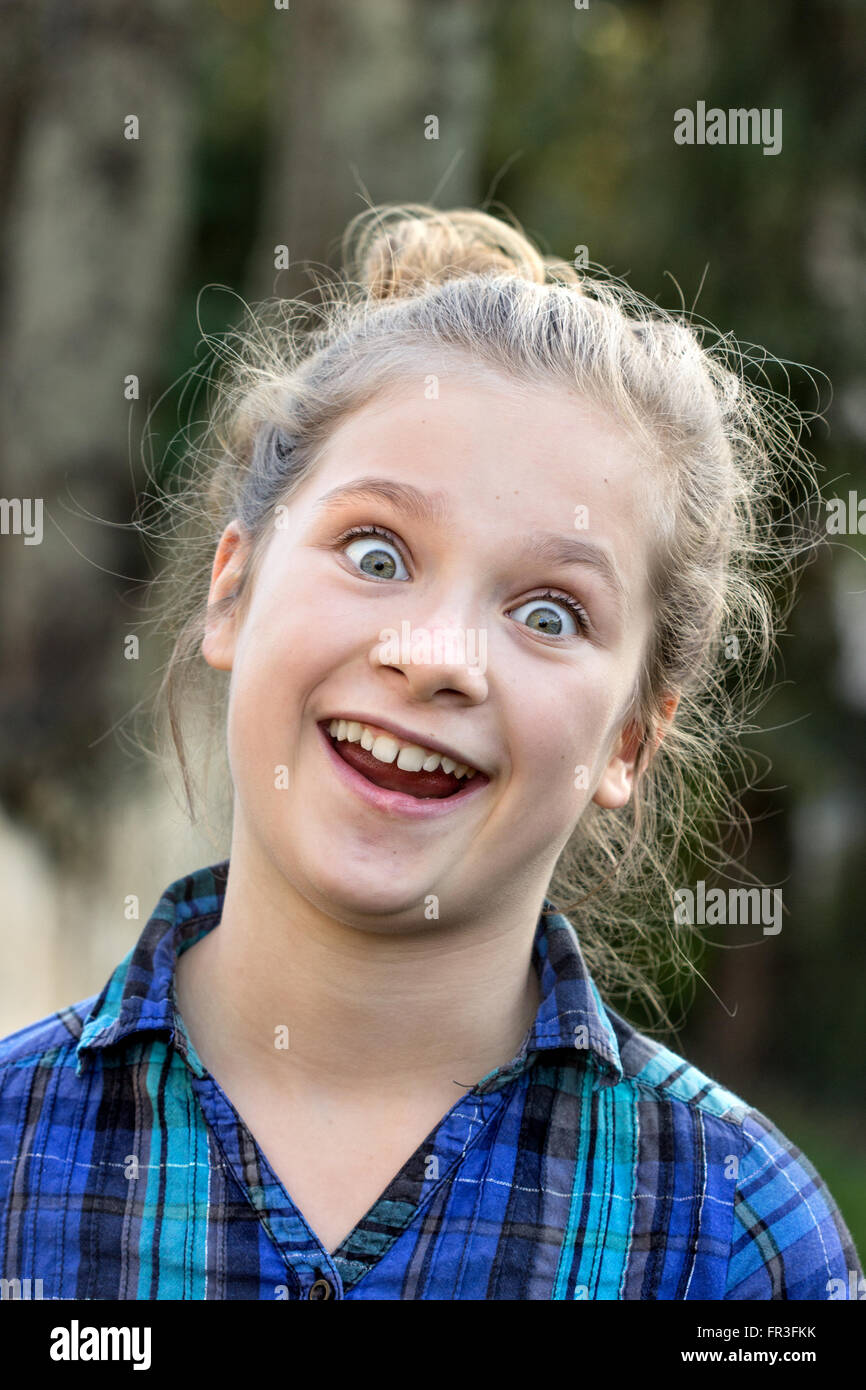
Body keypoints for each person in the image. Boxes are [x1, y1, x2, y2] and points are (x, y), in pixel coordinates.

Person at [0, 204, 861, 1301]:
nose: (435, 655)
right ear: (232, 588)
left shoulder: (733, 1233)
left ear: (629, 741)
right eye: (375, 551)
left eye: (549, 613)